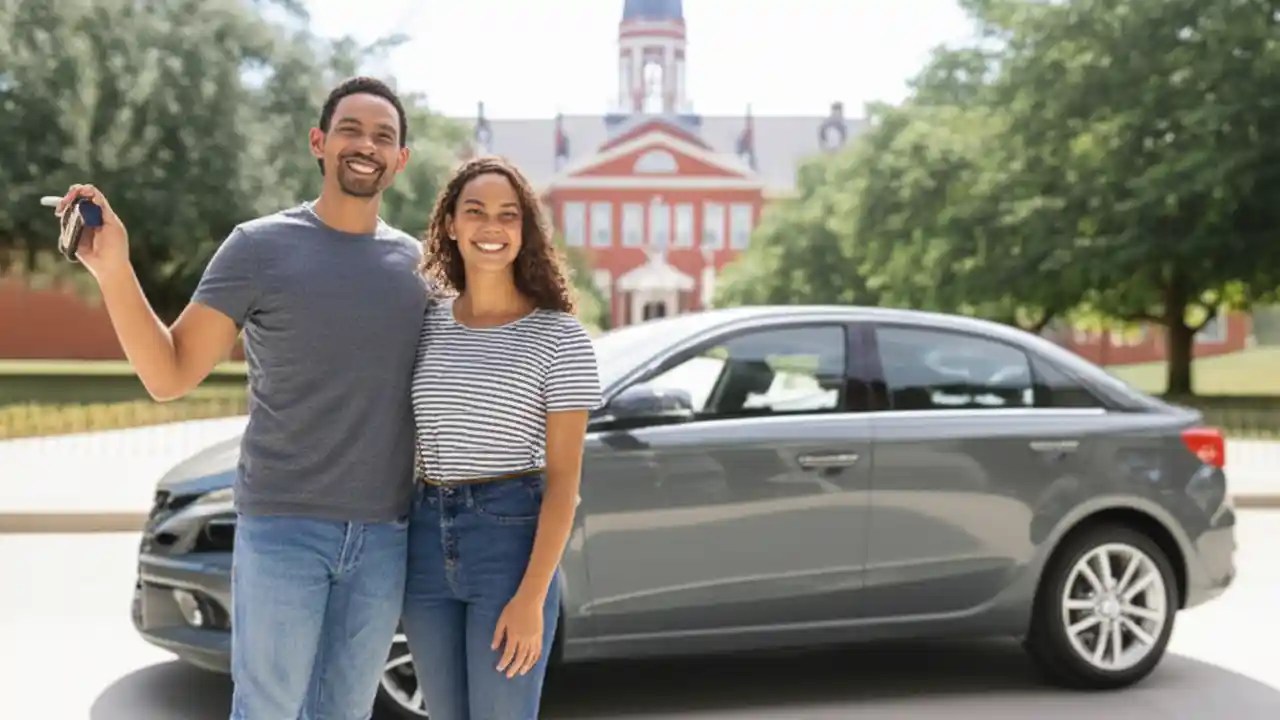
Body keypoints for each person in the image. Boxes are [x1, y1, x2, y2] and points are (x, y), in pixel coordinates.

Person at [55, 76, 426, 719]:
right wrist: (113, 267)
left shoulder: (419, 268)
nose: (366, 145)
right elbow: (169, 374)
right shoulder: (259, 247)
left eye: (383, 136)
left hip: (383, 537)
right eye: (351, 130)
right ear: (319, 141)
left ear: (400, 160)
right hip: (284, 530)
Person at [403, 155, 601, 720]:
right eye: (476, 211)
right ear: (450, 225)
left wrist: (532, 596)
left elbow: (565, 487)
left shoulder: (559, 338)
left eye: (508, 215)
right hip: (423, 540)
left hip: (508, 545)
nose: (492, 227)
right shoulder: (427, 320)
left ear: (524, 231)